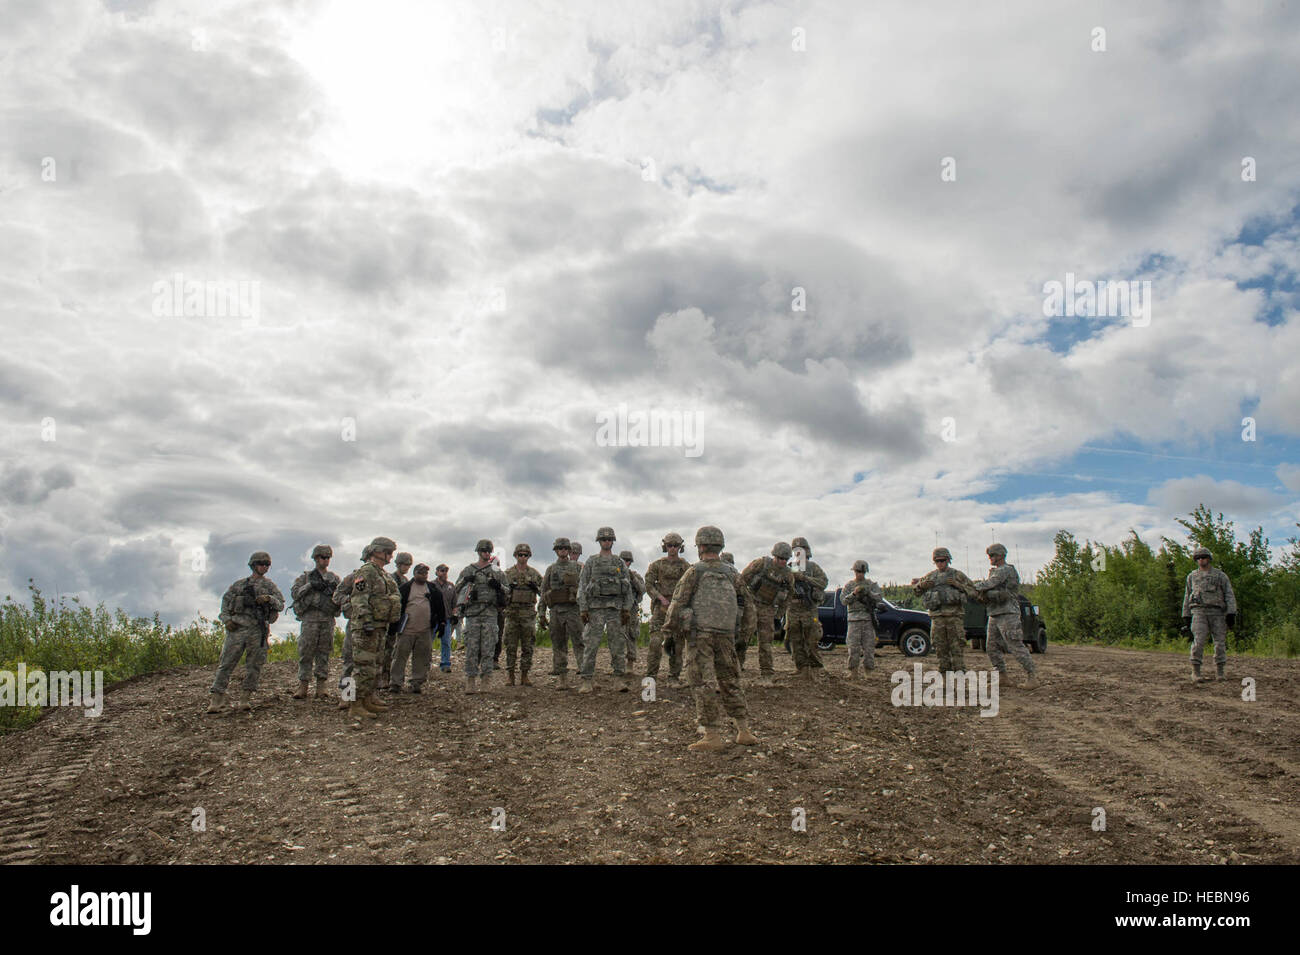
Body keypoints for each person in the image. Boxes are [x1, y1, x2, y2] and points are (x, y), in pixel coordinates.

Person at [666, 526, 758, 752]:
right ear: (720, 546)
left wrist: (669, 633)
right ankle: (744, 730)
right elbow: (750, 608)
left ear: (700, 546)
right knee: (731, 680)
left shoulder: (694, 572)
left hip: (701, 636)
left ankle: (712, 735)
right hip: (726, 635)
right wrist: (743, 638)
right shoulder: (732, 573)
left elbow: (677, 603)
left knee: (702, 682)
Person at [208, 551, 284, 713]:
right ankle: (216, 698)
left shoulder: (270, 587)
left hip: (258, 629)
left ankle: (245, 698)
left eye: (267, 564)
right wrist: (227, 620)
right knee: (226, 663)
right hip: (237, 629)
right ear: (253, 565)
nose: (264, 567)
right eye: (261, 563)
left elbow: (280, 605)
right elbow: (225, 603)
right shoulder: (239, 585)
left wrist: (269, 599)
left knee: (254, 665)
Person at [346, 537, 402, 720]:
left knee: (375, 665)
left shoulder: (382, 574)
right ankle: (354, 704)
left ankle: (367, 698)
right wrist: (366, 620)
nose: (390, 557)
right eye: (388, 552)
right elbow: (359, 597)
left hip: (379, 626)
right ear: (378, 551)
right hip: (365, 627)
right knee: (362, 667)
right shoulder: (366, 572)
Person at [975, 543, 1040, 688]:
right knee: (991, 647)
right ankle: (1002, 676)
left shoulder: (1005, 570)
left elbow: (989, 584)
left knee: (1015, 644)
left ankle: (1032, 677)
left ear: (1000, 555)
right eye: (989, 556)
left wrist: (971, 586)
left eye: (992, 555)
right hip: (995, 613)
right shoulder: (996, 571)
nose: (990, 558)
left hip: (1008, 613)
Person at [577, 528, 633, 693]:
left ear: (613, 541)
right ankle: (587, 679)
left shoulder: (619, 562)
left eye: (609, 539)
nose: (606, 542)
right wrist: (583, 608)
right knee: (591, 645)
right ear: (599, 541)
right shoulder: (591, 562)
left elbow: (627, 586)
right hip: (595, 609)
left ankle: (618, 679)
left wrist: (626, 609)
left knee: (617, 644)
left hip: (615, 609)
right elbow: (582, 585)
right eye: (603, 539)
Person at [911, 547, 978, 675]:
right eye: (937, 561)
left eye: (943, 560)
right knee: (940, 648)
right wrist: (921, 586)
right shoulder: (930, 576)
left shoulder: (957, 575)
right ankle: (944, 674)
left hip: (954, 617)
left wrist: (959, 585)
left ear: (948, 560)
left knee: (957, 647)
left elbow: (974, 592)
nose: (940, 563)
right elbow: (917, 592)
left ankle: (960, 674)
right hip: (937, 617)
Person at [455, 540, 508, 693]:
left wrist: (498, 586)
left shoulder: (497, 572)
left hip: (490, 612)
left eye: (488, 551)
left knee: (488, 647)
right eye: (483, 550)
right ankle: (470, 680)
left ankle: (486, 679)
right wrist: (466, 580)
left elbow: (508, 590)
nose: (486, 553)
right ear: (478, 552)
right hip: (472, 613)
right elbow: (457, 588)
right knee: (472, 648)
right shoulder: (468, 570)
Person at [290, 544, 341, 700]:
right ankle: (303, 685)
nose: (325, 560)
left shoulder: (334, 578)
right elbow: (295, 593)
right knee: (306, 652)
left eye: (327, 557)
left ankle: (321, 685)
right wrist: (310, 585)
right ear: (315, 558)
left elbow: (340, 597)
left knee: (324, 652)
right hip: (309, 618)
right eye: (322, 557)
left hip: (327, 619)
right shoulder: (305, 577)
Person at [740, 543, 794, 686]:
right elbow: (741, 579)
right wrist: (742, 602)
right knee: (743, 638)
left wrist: (779, 614)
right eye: (780, 558)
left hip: (768, 609)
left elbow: (789, 595)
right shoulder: (761, 564)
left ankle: (767, 674)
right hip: (751, 604)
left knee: (766, 642)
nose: (783, 561)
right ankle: (736, 669)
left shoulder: (788, 574)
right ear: (774, 555)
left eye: (785, 559)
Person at [1182, 546, 1238, 683]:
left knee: (1219, 643)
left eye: (1204, 557)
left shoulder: (1220, 576)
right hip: (1198, 612)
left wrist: (1231, 613)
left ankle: (1220, 672)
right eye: (1198, 558)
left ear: (1209, 559)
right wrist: (1186, 617)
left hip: (1217, 612)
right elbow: (1187, 596)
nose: (1201, 560)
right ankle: (1196, 672)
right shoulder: (1192, 576)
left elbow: (1229, 594)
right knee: (1198, 642)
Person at [644, 532, 690, 684]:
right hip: (661, 609)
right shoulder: (657, 565)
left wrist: (679, 602)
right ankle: (651, 677)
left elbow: (690, 587)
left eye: (676, 546)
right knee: (655, 643)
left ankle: (674, 677)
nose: (672, 549)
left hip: (678, 610)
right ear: (665, 546)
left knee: (677, 645)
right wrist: (660, 598)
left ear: (680, 547)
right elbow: (648, 584)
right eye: (669, 545)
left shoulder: (685, 566)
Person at [392, 563, 447, 693]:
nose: (423, 575)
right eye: (421, 573)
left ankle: (417, 683)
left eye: (425, 573)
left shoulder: (432, 589)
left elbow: (440, 607)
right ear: (414, 573)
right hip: (406, 630)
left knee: (422, 657)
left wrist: (442, 623)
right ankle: (395, 683)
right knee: (399, 657)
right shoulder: (405, 588)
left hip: (425, 630)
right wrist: (394, 626)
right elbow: (397, 608)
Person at [785, 536, 829, 682]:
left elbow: (823, 582)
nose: (798, 552)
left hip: (809, 609)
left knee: (811, 640)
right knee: (795, 640)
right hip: (793, 608)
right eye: (795, 550)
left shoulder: (813, 567)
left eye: (801, 549)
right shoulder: (791, 566)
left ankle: (815, 670)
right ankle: (801, 669)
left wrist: (805, 578)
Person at [541, 537, 583, 689]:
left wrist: (586, 611)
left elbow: (584, 590)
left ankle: (586, 677)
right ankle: (562, 678)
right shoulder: (551, 569)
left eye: (566, 549)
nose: (563, 551)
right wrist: (541, 613)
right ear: (556, 551)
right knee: (559, 645)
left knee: (580, 643)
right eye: (560, 549)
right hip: (556, 611)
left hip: (573, 611)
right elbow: (544, 591)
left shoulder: (578, 568)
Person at [502, 544, 544, 686]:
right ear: (515, 555)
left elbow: (543, 592)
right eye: (520, 554)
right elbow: (501, 595)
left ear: (529, 556)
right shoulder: (508, 574)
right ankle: (510, 675)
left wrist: (535, 587)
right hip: (512, 614)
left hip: (528, 614)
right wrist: (509, 591)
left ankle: (525, 675)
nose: (523, 557)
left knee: (528, 646)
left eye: (525, 555)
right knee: (511, 647)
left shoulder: (534, 574)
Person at [842, 559, 884, 677]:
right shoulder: (849, 585)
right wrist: (854, 594)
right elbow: (843, 601)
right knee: (853, 647)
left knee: (869, 647)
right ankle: (853, 671)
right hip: (854, 620)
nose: (859, 574)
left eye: (862, 571)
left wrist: (869, 593)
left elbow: (879, 597)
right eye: (857, 571)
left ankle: (869, 672)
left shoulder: (871, 585)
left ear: (865, 572)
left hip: (868, 619)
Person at [381, 552, 414, 689]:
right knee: (386, 649)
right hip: (389, 618)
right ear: (398, 564)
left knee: (396, 650)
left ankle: (391, 677)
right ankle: (383, 677)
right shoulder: (390, 578)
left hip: (401, 618)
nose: (406, 567)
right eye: (404, 564)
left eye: (408, 565)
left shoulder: (406, 581)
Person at [721, 552, 757, 671]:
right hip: (735, 611)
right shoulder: (737, 576)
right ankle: (737, 665)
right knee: (737, 639)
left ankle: (733, 665)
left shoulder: (730, 575)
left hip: (731, 612)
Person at [620, 550, 645, 670]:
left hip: (632, 610)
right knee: (617, 636)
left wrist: (632, 578)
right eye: (623, 560)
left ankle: (630, 663)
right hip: (617, 609)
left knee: (631, 634)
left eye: (628, 560)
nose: (625, 563)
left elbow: (642, 589)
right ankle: (618, 664)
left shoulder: (635, 576)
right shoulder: (615, 575)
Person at [433, 564, 457, 672]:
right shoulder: (431, 585)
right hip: (433, 618)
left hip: (446, 618)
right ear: (437, 572)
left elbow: (454, 603)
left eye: (446, 571)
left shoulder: (451, 586)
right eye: (442, 570)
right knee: (429, 641)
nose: (444, 573)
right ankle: (426, 663)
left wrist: (454, 615)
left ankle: (445, 664)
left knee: (446, 642)